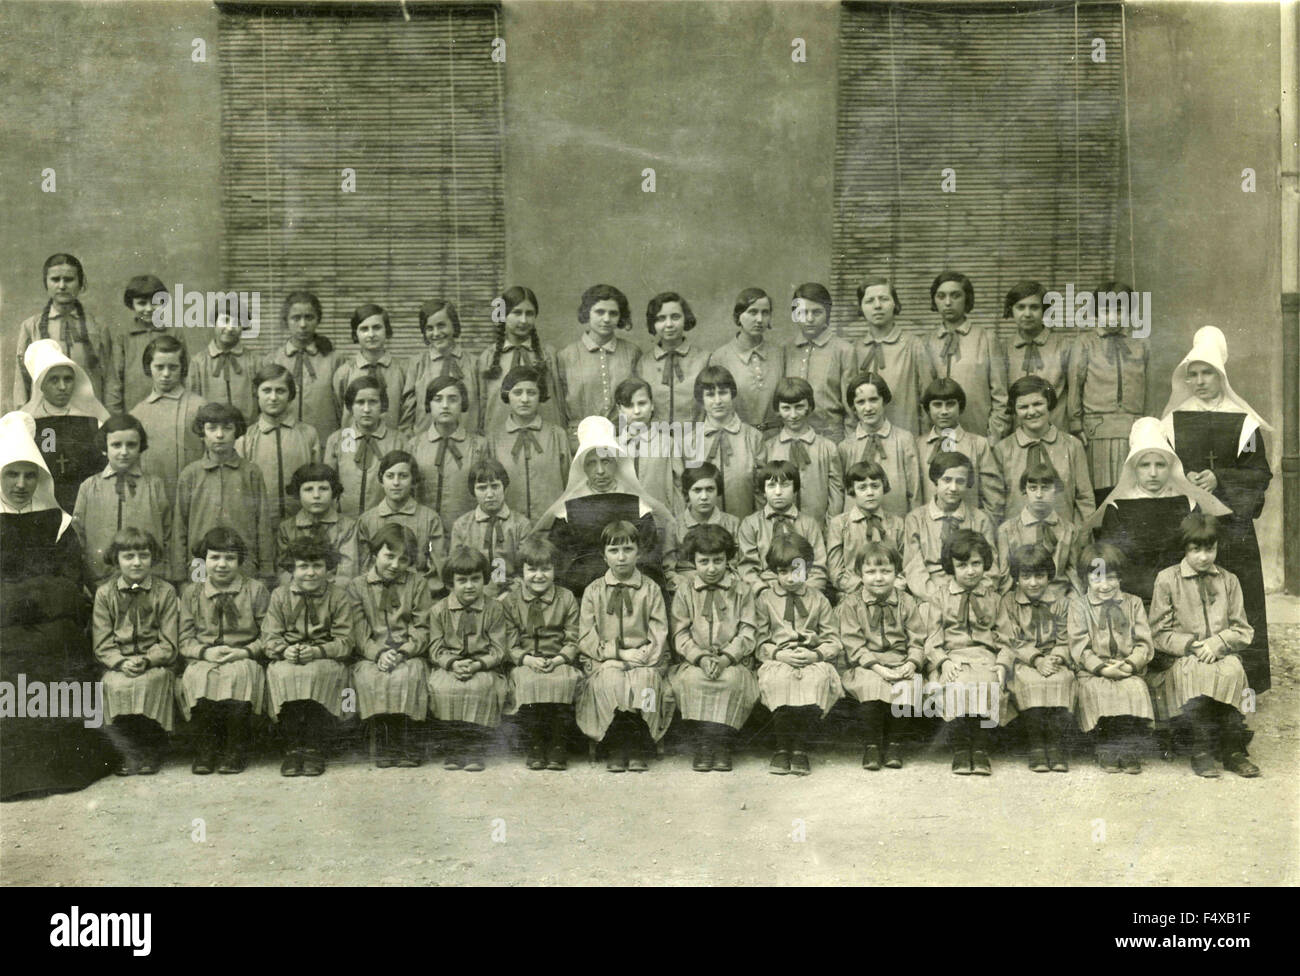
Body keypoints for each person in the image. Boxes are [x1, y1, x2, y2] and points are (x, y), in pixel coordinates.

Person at [0, 410, 116, 800]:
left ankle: (60, 769)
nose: (20, 484)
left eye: (29, 474)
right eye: (11, 474)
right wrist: (28, 597)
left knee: (55, 656)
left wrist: (24, 596)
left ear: (40, 478)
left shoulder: (58, 522)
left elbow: (70, 585)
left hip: (52, 629)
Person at [1160, 325, 1274, 694]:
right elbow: (1157, 469)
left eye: (1206, 372)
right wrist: (1183, 478)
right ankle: (1186, 678)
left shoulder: (1243, 422)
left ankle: (1244, 684)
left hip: (1232, 528)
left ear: (1221, 374)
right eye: (1191, 373)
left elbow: (1259, 474)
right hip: (1190, 526)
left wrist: (1219, 478)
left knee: (1236, 598)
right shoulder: (1173, 420)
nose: (1198, 380)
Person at [1148, 513, 1259, 778]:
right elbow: (1158, 632)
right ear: (1184, 548)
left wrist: (1219, 643)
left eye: (1210, 549)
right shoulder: (1167, 580)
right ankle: (1201, 750)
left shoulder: (1228, 580)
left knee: (1233, 671)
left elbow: (1243, 629)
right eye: (1195, 549)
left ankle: (1233, 750)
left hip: (1222, 653)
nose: (1203, 557)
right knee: (1194, 673)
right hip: (1185, 656)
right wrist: (1193, 646)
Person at [1086, 417, 1229, 605]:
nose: (1153, 473)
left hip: (1181, 597)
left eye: (1160, 465)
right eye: (1145, 465)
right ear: (1133, 467)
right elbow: (1114, 562)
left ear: (1170, 466)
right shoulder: (1118, 507)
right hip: (1133, 598)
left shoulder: (1188, 503)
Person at [538, 415, 676, 596]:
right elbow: (560, 564)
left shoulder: (638, 505)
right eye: (591, 463)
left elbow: (649, 561)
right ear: (583, 468)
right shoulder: (567, 510)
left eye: (605, 461)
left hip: (634, 593)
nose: (600, 471)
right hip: (582, 595)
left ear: (616, 463)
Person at [576, 520, 675, 772]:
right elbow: (587, 636)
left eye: (628, 549)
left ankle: (640, 741)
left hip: (645, 658)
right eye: (614, 551)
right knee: (611, 680)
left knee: (645, 682)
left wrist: (640, 656)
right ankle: (616, 743)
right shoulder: (593, 591)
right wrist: (616, 654)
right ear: (604, 556)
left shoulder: (650, 590)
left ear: (638, 552)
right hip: (605, 659)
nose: (621, 557)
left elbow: (658, 630)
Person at [178, 527, 270, 776]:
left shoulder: (255, 590)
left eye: (230, 558)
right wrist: (204, 653)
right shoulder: (192, 593)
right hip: (205, 656)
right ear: (204, 560)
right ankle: (206, 748)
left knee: (240, 675)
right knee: (198, 676)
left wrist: (247, 652)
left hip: (242, 655)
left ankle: (235, 748)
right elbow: (184, 638)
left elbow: (269, 635)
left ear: (240, 561)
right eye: (215, 557)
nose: (222, 565)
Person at [923, 530, 1014, 776]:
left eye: (976, 564)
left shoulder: (994, 599)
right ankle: (961, 749)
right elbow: (932, 638)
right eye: (962, 565)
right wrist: (942, 662)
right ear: (951, 566)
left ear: (985, 564)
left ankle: (981, 749)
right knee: (957, 685)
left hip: (986, 657)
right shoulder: (940, 597)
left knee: (988, 684)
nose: (970, 571)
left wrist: (1002, 664)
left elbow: (1006, 638)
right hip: (953, 657)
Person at [669, 524, 759, 773]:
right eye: (704, 561)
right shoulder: (685, 591)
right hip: (696, 660)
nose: (711, 568)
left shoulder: (742, 590)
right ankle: (703, 745)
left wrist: (727, 658)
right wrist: (698, 657)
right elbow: (680, 632)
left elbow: (748, 631)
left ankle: (722, 745)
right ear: (693, 562)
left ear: (728, 559)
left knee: (730, 680)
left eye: (718, 560)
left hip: (733, 661)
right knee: (693, 680)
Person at [263, 539, 355, 777]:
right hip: (289, 656)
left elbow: (345, 641)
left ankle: (314, 747)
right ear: (292, 569)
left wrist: (317, 651)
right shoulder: (280, 596)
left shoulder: (338, 596)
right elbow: (270, 636)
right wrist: (284, 650)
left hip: (324, 655)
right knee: (283, 673)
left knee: (319, 673)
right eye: (303, 566)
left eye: (318, 566)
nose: (311, 573)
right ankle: (293, 748)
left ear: (329, 569)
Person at [92, 528, 179, 776]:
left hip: (154, 663)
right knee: (113, 684)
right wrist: (120, 662)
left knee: (152, 681)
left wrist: (148, 659)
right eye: (128, 556)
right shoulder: (105, 594)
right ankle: (129, 750)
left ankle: (152, 749)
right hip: (119, 663)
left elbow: (168, 641)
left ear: (153, 558)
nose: (137, 562)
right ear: (116, 559)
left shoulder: (166, 592)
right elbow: (102, 642)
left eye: (143, 555)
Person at [754, 535, 843, 776]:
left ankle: (801, 748)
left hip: (811, 657)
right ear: (775, 572)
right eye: (783, 571)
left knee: (817, 680)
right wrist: (778, 654)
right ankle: (783, 748)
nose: (790, 577)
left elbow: (833, 640)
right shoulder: (765, 599)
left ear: (809, 568)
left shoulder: (819, 599)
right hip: (779, 658)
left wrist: (816, 654)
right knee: (778, 680)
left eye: (796, 570)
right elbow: (759, 640)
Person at [346, 525, 432, 769]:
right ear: (375, 555)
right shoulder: (357, 586)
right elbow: (359, 632)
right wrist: (379, 654)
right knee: (372, 677)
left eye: (403, 559)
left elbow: (422, 626)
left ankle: (406, 742)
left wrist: (404, 651)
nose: (395, 565)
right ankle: (383, 743)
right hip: (372, 655)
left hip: (408, 652)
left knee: (411, 673)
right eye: (389, 556)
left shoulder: (417, 583)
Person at [837, 542, 926, 770]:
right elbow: (853, 643)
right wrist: (876, 666)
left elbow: (917, 638)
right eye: (871, 572)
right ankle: (872, 746)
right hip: (868, 663)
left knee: (909, 685)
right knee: (871, 686)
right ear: (860, 574)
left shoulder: (906, 602)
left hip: (900, 660)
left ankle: (895, 743)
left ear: (897, 573)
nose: (879, 578)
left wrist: (912, 663)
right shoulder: (852, 604)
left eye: (886, 571)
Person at [1068, 543, 1155, 774]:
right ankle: (1104, 745)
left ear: (1120, 578)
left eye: (1111, 578)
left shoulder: (1133, 603)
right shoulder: (1079, 605)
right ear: (1085, 578)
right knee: (1099, 690)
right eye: (1097, 579)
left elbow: (1144, 642)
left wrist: (1129, 664)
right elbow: (1079, 645)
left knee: (1134, 688)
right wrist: (1101, 669)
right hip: (1094, 671)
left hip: (1127, 668)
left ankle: (1127, 747)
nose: (1105, 586)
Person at [502, 536, 584, 771]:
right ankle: (535, 744)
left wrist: (559, 659)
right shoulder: (511, 601)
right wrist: (526, 659)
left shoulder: (566, 598)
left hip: (558, 659)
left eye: (546, 569)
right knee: (527, 681)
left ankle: (558, 744)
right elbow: (508, 640)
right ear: (521, 572)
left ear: (555, 570)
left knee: (564, 680)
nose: (539, 575)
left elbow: (574, 637)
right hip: (526, 661)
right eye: (532, 569)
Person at [428, 547, 511, 771]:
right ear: (450, 583)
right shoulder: (439, 610)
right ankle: (453, 747)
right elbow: (435, 647)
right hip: (450, 666)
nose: (469, 586)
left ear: (484, 580)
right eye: (462, 580)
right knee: (443, 687)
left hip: (483, 665)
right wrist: (453, 663)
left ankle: (475, 748)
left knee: (482, 686)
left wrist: (477, 664)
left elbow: (498, 648)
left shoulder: (493, 609)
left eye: (475, 579)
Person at [174, 401, 275, 585]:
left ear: (236, 432)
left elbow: (263, 523)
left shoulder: (251, 473)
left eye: (227, 428)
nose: (219, 435)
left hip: (243, 563)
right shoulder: (191, 474)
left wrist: (266, 570)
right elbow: (180, 526)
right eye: (212, 428)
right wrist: (179, 575)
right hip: (200, 565)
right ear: (202, 432)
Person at [1067, 281, 1149, 503]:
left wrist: (1148, 426)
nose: (1113, 316)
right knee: (1101, 492)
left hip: (1133, 430)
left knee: (1132, 491)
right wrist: (1076, 425)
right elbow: (1075, 384)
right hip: (1097, 432)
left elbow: (1147, 387)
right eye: (1106, 310)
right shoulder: (1085, 343)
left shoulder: (1140, 343)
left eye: (1120, 309)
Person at [997, 544, 1076, 773]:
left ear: (1048, 576)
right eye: (1026, 576)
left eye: (1040, 576)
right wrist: (1036, 659)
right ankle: (1036, 746)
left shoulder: (1061, 603)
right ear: (1017, 578)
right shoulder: (1008, 602)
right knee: (1031, 682)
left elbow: (1066, 638)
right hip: (1024, 660)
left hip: (1054, 659)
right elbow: (1009, 639)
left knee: (1062, 679)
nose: (1033, 583)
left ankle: (1055, 745)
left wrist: (1056, 658)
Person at [72, 413, 172, 588]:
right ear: (105, 447)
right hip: (100, 582)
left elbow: (168, 533)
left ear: (141, 446)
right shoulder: (89, 487)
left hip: (148, 581)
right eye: (116, 445)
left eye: (131, 445)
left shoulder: (154, 485)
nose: (124, 452)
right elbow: (78, 535)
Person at [12, 253, 113, 411]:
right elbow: (22, 379)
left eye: (69, 280)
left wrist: (110, 419)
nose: (62, 286)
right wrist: (22, 417)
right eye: (55, 279)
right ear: (46, 283)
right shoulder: (31, 326)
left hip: (89, 416)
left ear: (80, 283)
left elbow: (109, 378)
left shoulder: (97, 327)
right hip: (45, 416)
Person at [20, 339, 109, 513]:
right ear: (41, 385)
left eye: (67, 379)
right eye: (54, 380)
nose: (62, 387)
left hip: (89, 504)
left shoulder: (92, 419)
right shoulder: (27, 422)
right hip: (43, 507)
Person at [995, 374, 1094, 525]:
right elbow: (996, 502)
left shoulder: (1072, 446)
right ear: (1014, 410)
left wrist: (1079, 539)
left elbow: (1084, 499)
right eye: (1023, 407)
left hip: (1063, 538)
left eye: (1037, 404)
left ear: (1049, 403)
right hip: (1017, 540)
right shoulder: (1002, 449)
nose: (1032, 412)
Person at [923, 270, 1009, 440]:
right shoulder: (926, 343)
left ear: (967, 298)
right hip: (939, 438)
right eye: (941, 296)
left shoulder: (986, 339)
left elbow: (1000, 396)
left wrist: (992, 437)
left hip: (978, 435)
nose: (948, 302)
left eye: (955, 296)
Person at [236, 363, 321, 531]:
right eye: (266, 390)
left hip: (303, 525)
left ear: (291, 394)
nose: (273, 397)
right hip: (260, 526)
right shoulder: (245, 438)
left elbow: (319, 481)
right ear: (256, 393)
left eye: (280, 391)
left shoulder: (308, 434)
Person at [556, 284, 643, 439]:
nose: (607, 319)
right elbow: (560, 407)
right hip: (579, 439)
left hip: (624, 438)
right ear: (587, 313)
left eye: (613, 313)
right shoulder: (566, 356)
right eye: (600, 312)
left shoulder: (632, 352)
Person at [678, 365, 764, 519]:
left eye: (723, 393)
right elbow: (684, 494)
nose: (718, 401)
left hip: (746, 527)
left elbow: (762, 492)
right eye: (710, 395)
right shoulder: (689, 442)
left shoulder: (753, 437)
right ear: (701, 399)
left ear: (732, 394)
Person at [476, 286, 564, 437]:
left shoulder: (548, 355)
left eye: (529, 314)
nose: (523, 320)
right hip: (500, 439)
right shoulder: (488, 357)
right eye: (517, 313)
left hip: (544, 438)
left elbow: (560, 403)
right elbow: (482, 405)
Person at [852, 276, 933, 435]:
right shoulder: (854, 349)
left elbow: (927, 401)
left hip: (906, 440)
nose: (877, 306)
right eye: (869, 301)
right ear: (861, 307)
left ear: (895, 303)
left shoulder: (913, 345)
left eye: (884, 299)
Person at [487, 365, 569, 522]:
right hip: (508, 526)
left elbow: (568, 485)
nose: (524, 399)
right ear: (507, 395)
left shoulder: (557, 435)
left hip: (550, 526)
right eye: (517, 393)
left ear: (540, 396)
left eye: (531, 393)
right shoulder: (494, 439)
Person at [736, 459, 829, 595]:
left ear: (795, 489)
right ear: (763, 490)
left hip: (804, 592)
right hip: (765, 593)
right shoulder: (750, 524)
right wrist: (764, 593)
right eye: (771, 486)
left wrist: (807, 594)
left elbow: (818, 567)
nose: (778, 492)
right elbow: (747, 568)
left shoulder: (809, 524)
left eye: (785, 485)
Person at [409, 375, 488, 534]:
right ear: (429, 405)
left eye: (452, 399)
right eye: (438, 399)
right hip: (422, 532)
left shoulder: (479, 446)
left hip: (467, 532)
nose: (445, 405)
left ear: (463, 403)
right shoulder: (414, 445)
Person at [917, 378, 1006, 520]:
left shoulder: (978, 444)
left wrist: (982, 531)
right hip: (929, 529)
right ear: (928, 409)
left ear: (961, 407)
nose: (944, 411)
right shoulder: (918, 445)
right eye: (937, 405)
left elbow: (993, 498)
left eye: (950, 404)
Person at [839, 370, 921, 519]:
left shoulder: (904, 440)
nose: (868, 408)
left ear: (884, 400)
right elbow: (841, 492)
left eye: (873, 399)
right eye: (860, 402)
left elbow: (914, 492)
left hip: (896, 525)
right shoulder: (846, 446)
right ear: (853, 407)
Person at [761, 376, 844, 523]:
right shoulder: (768, 448)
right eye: (786, 408)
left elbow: (836, 494)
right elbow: (762, 494)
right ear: (777, 410)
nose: (793, 415)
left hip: (818, 531)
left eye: (799, 407)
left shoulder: (827, 448)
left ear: (810, 407)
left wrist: (830, 528)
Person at [131, 334, 206, 492]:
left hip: (193, 492)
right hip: (154, 496)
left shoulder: (198, 407)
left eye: (173, 367)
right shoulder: (138, 413)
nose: (166, 374)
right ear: (148, 367)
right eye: (159, 367)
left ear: (182, 368)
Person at [447, 458, 531, 598]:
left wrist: (510, 594)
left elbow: (526, 569)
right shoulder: (461, 526)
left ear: (504, 486)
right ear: (473, 491)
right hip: (472, 594)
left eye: (495, 486)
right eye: (482, 488)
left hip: (513, 595)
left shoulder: (521, 525)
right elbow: (455, 570)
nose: (490, 494)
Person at [356, 450, 445, 579]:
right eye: (390, 476)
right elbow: (363, 567)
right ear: (381, 480)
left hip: (418, 588)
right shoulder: (367, 520)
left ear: (413, 480)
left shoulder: (430, 519)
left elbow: (438, 565)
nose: (396, 483)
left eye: (403, 476)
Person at [783, 282, 855, 442]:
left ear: (827, 313)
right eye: (802, 312)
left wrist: (849, 445)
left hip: (831, 437)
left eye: (817, 312)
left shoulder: (844, 350)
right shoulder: (786, 350)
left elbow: (851, 409)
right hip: (793, 436)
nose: (809, 319)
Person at [323, 375, 402, 517]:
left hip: (384, 521)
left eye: (373, 402)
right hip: (344, 521)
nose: (366, 409)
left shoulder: (398, 441)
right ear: (350, 407)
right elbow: (328, 485)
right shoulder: (338, 440)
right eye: (360, 402)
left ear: (382, 405)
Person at [999, 280, 1073, 431]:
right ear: (1011, 310)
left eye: (1034, 307)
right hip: (1016, 434)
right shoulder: (1002, 349)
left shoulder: (1063, 346)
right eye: (1020, 307)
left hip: (1056, 431)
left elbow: (1074, 394)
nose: (1027, 314)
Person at [267, 290, 339, 445]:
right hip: (283, 444)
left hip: (324, 443)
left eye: (309, 317)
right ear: (286, 321)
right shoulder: (273, 360)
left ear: (318, 319)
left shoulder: (334, 360)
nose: (303, 324)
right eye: (296, 318)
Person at [827, 461, 905, 601]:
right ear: (852, 490)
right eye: (862, 488)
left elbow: (905, 564)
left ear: (884, 487)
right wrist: (867, 589)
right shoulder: (839, 524)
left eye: (875, 486)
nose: (870, 493)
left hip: (892, 594)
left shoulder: (897, 523)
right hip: (852, 595)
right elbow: (836, 572)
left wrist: (889, 588)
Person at [708, 287, 782, 435]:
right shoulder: (720, 357)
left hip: (775, 440)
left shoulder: (779, 354)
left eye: (765, 312)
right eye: (752, 312)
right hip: (737, 440)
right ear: (738, 315)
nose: (760, 319)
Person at [332, 302, 415, 434]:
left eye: (377, 328)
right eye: (364, 329)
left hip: (392, 446)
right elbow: (339, 413)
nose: (371, 334)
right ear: (355, 334)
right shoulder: (344, 372)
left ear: (387, 330)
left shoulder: (403, 370)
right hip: (353, 446)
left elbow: (408, 415)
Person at [276, 462, 362, 586]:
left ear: (334, 491)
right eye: (308, 489)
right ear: (297, 493)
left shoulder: (348, 527)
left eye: (323, 489)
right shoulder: (286, 528)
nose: (316, 495)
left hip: (336, 596)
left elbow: (347, 573)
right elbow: (284, 572)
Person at [410, 299, 479, 436]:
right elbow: (407, 412)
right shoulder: (417, 364)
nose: (436, 333)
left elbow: (484, 407)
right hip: (426, 446)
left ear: (454, 325)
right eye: (429, 328)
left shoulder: (474, 364)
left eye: (441, 326)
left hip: (466, 443)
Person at [106, 274, 168, 415]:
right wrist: (117, 418)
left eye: (154, 303)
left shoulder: (173, 333)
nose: (149, 308)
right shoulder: (123, 336)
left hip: (169, 411)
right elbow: (114, 380)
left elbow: (184, 375)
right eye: (141, 303)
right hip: (133, 411)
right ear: (132, 304)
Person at [645, 291, 708, 428]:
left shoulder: (705, 360)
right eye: (661, 318)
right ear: (653, 323)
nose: (669, 324)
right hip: (656, 444)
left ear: (685, 319)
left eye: (675, 317)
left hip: (696, 441)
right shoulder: (643, 363)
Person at [189, 308, 261, 424]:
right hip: (212, 432)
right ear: (214, 323)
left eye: (237, 323)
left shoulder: (254, 361)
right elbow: (193, 402)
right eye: (225, 320)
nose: (230, 328)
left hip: (247, 431)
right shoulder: (198, 362)